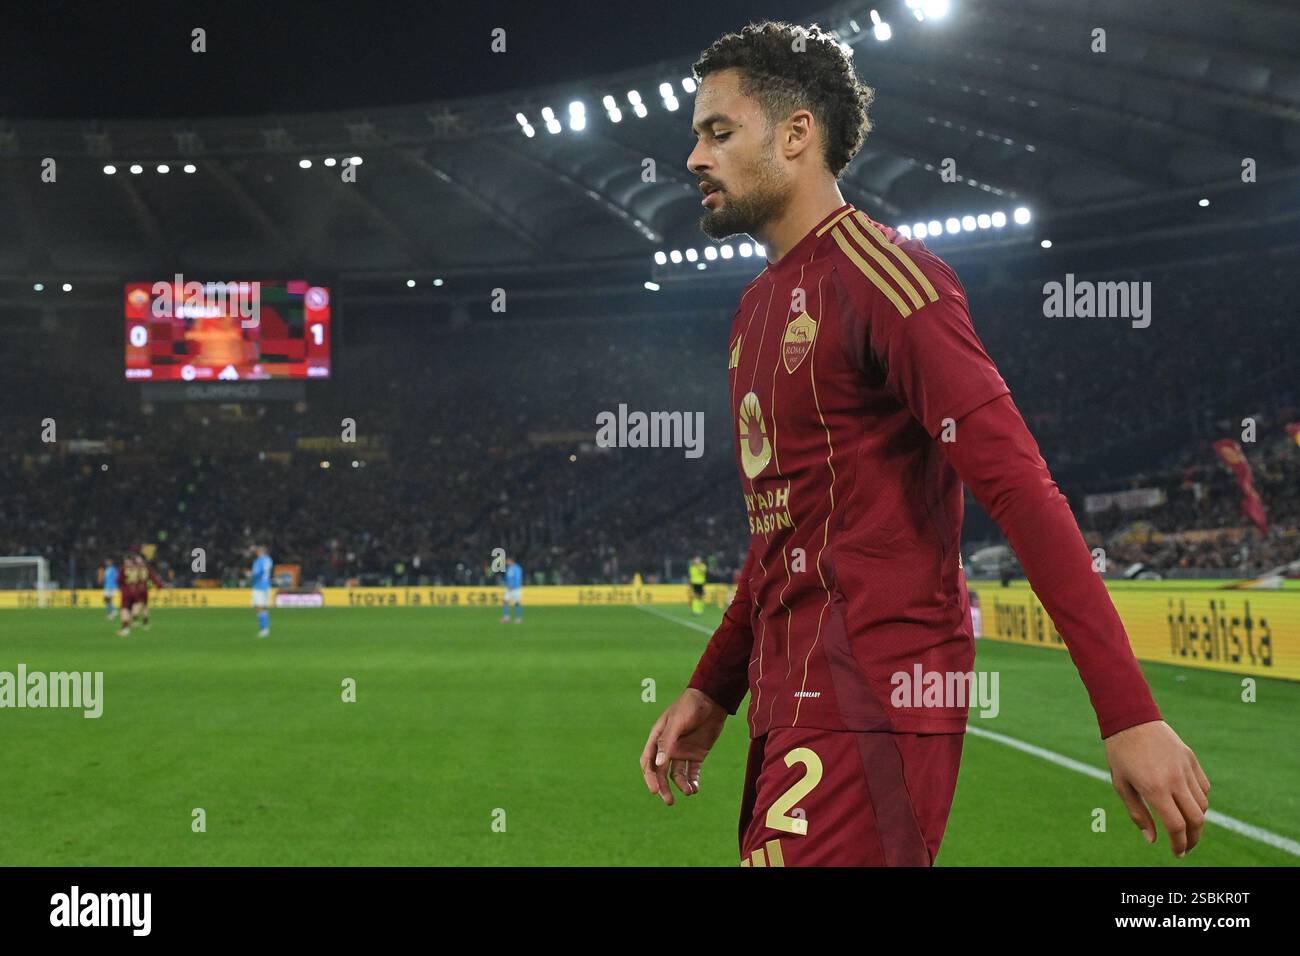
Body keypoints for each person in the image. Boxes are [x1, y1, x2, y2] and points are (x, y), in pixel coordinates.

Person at [640, 21, 1209, 867]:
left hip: (876, 683)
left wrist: (1127, 711)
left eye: (718, 132)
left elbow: (1021, 490)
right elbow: (782, 535)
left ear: (797, 136)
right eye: (696, 135)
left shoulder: (889, 280)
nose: (693, 156)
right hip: (789, 698)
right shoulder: (755, 312)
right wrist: (715, 686)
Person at [116, 551, 163, 636]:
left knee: (125, 609)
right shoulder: (143, 568)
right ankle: (144, 622)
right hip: (139, 590)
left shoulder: (124, 569)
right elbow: (151, 577)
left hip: (128, 591)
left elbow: (119, 580)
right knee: (143, 606)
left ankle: (126, 628)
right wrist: (158, 585)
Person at [251, 545, 273, 638]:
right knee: (264, 608)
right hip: (267, 585)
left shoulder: (259, 561)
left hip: (259, 586)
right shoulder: (268, 560)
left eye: (258, 551)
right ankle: (266, 629)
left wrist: (250, 575)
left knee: (259, 608)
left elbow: (257, 573)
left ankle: (264, 629)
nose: (256, 553)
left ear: (261, 552)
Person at [501, 556, 523, 624]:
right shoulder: (509, 568)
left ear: (511, 561)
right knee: (505, 601)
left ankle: (518, 618)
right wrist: (506, 584)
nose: (507, 563)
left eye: (508, 561)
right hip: (509, 589)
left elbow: (518, 579)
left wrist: (513, 586)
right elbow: (508, 578)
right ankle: (506, 617)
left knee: (517, 603)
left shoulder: (517, 568)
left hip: (516, 589)